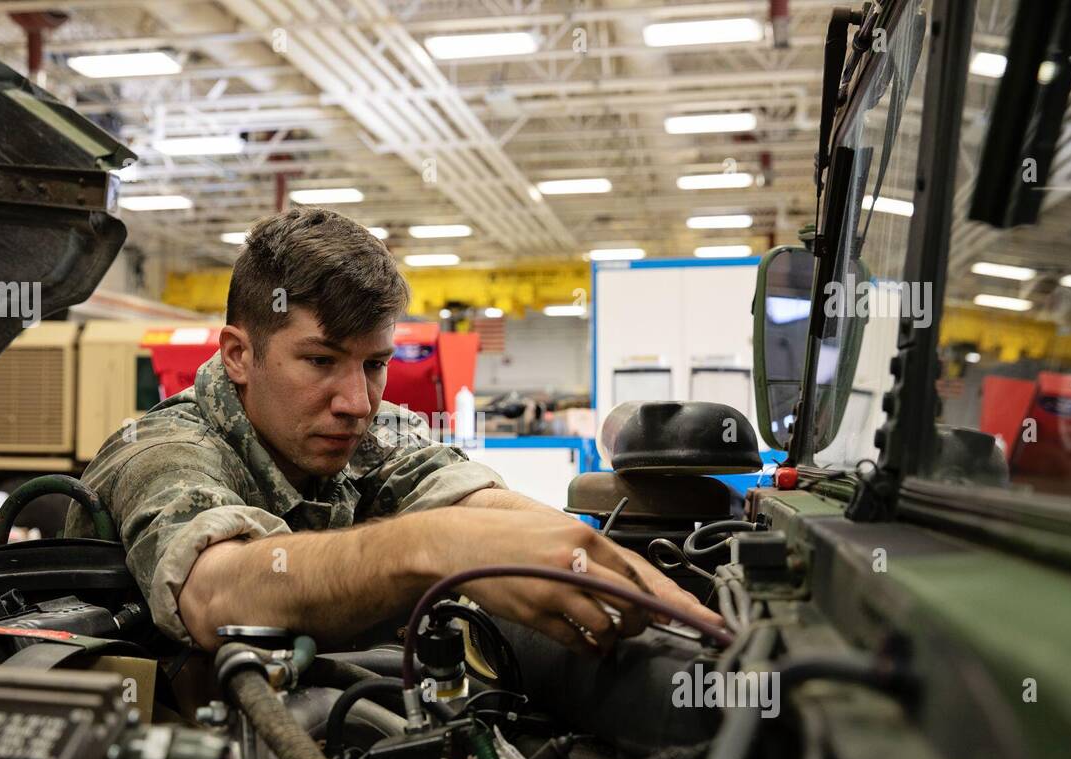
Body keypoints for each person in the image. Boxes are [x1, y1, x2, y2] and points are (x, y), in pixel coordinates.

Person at [66, 207, 722, 654]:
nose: (356, 401)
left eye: (375, 365)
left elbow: (477, 503)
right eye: (320, 361)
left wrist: (597, 562)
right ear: (239, 353)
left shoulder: (365, 429)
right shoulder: (162, 452)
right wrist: (432, 545)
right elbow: (216, 591)